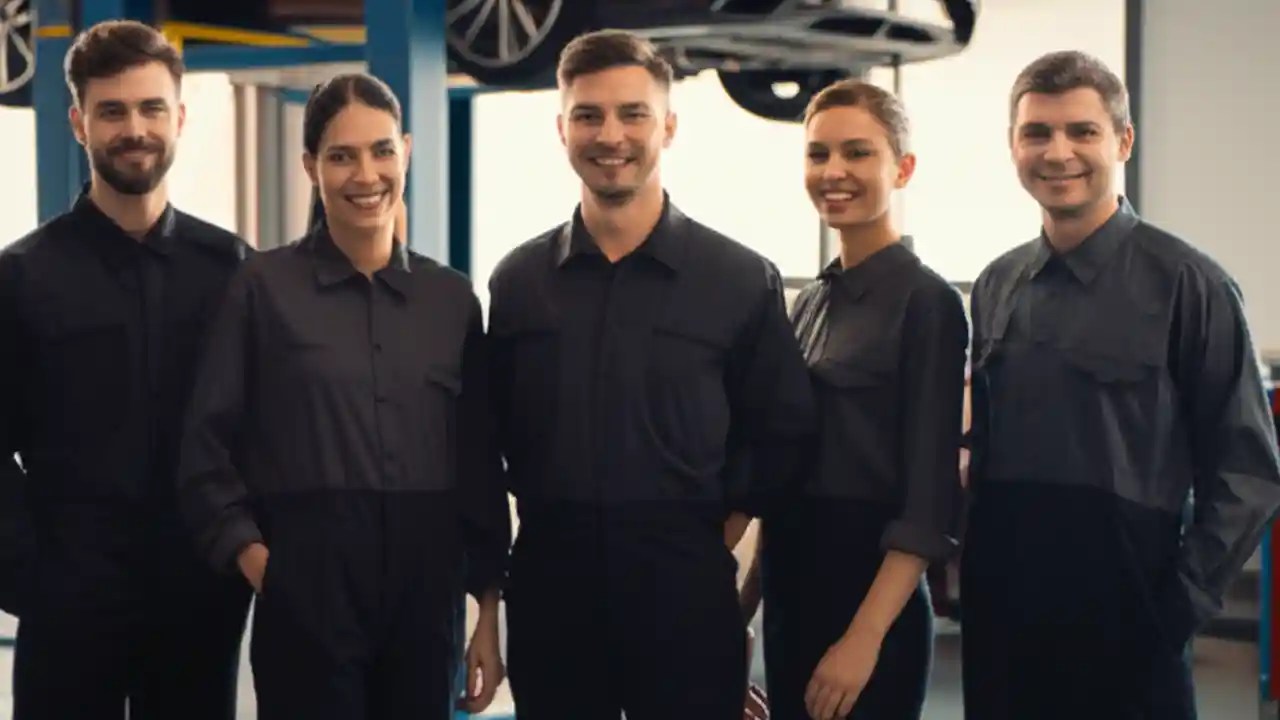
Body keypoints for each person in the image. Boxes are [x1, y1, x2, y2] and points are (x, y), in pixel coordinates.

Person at [486, 29, 816, 720]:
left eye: (633, 114)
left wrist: (707, 537)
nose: (611, 135)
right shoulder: (518, 282)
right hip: (551, 592)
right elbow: (489, 438)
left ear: (667, 125)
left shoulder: (738, 279)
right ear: (562, 129)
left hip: (685, 592)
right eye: (588, 115)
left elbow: (780, 433)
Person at [176, 72, 510, 719]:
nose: (366, 174)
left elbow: (477, 466)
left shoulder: (451, 300)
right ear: (311, 166)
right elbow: (205, 448)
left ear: (406, 152)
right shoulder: (261, 289)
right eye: (341, 156)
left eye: (382, 150)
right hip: (308, 594)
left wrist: (488, 613)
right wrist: (261, 564)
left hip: (425, 604)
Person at [962, 50, 1280, 720]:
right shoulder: (996, 283)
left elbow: (1248, 472)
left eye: (1082, 131)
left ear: (1123, 141)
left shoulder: (1190, 284)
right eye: (1037, 133)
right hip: (1005, 628)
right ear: (1013, 146)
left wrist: (1176, 608)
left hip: (1133, 629)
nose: (1058, 153)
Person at [0, 19, 253, 719]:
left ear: (179, 118)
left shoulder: (234, 270)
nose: (133, 129)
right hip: (67, 604)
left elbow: (264, 430)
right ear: (79, 123)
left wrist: (239, 556)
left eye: (150, 109)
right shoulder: (21, 278)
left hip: (200, 599)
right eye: (111, 111)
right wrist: (29, 579)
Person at [738, 79, 969, 720]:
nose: (833, 171)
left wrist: (863, 640)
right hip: (791, 598)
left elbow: (928, 499)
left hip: (869, 607)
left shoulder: (928, 303)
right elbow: (786, 474)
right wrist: (742, 614)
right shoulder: (810, 301)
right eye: (818, 154)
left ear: (903, 168)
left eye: (858, 152)